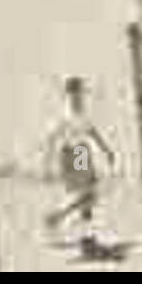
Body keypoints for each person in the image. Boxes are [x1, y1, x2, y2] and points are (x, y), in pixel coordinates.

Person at [43, 76, 116, 238]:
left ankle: (82, 230)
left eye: (80, 93)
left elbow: (91, 131)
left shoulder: (81, 111)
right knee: (88, 194)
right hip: (74, 153)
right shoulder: (67, 114)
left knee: (90, 196)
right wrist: (48, 161)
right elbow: (53, 137)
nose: (78, 96)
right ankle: (59, 217)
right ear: (69, 94)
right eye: (75, 93)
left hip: (81, 152)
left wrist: (106, 150)